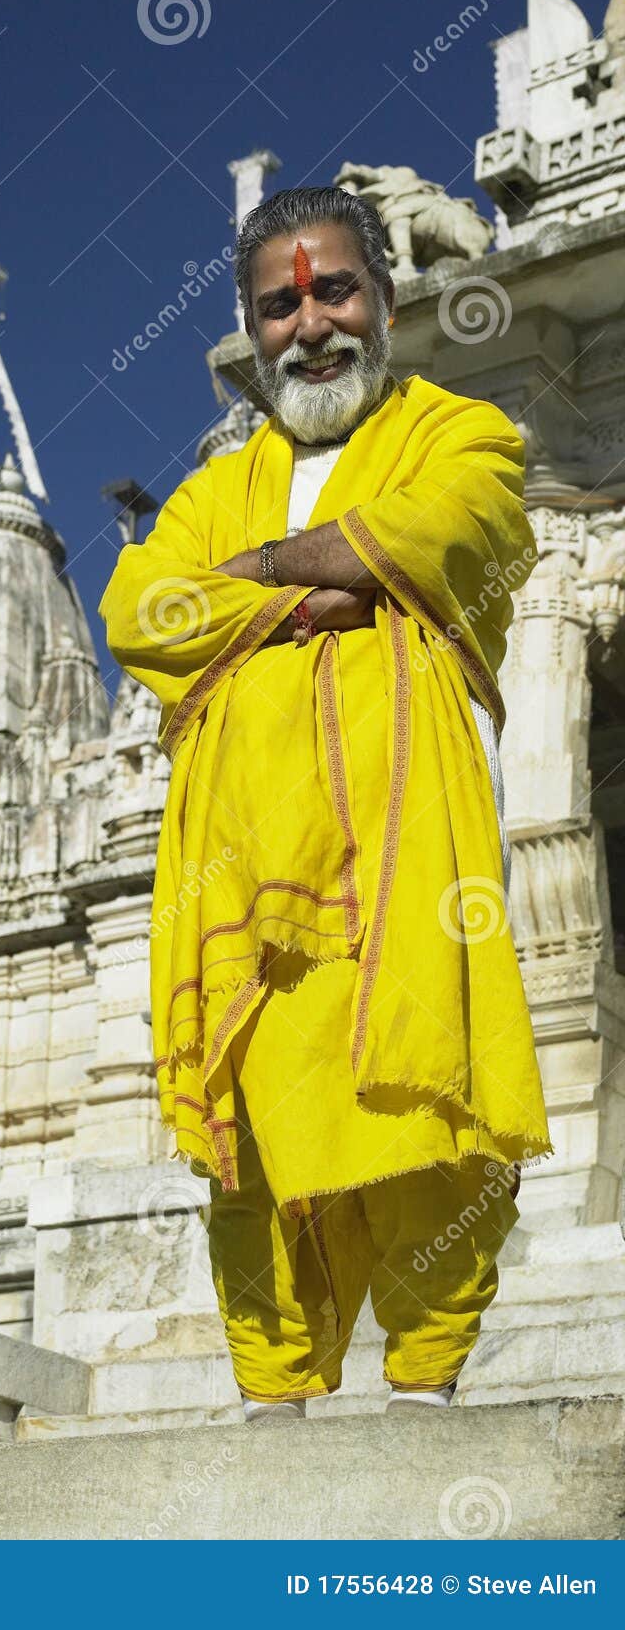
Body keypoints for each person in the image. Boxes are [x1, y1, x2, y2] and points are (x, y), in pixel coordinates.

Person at [98, 185, 550, 1421]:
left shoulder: (464, 434)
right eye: (278, 304)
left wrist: (249, 589)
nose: (311, 325)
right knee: (255, 1135)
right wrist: (328, 583)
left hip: (411, 859)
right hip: (243, 878)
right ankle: (274, 1403)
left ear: (386, 299)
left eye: (334, 289)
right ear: (251, 331)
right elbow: (141, 609)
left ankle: (424, 1386)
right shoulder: (212, 492)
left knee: (428, 1112)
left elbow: (450, 527)